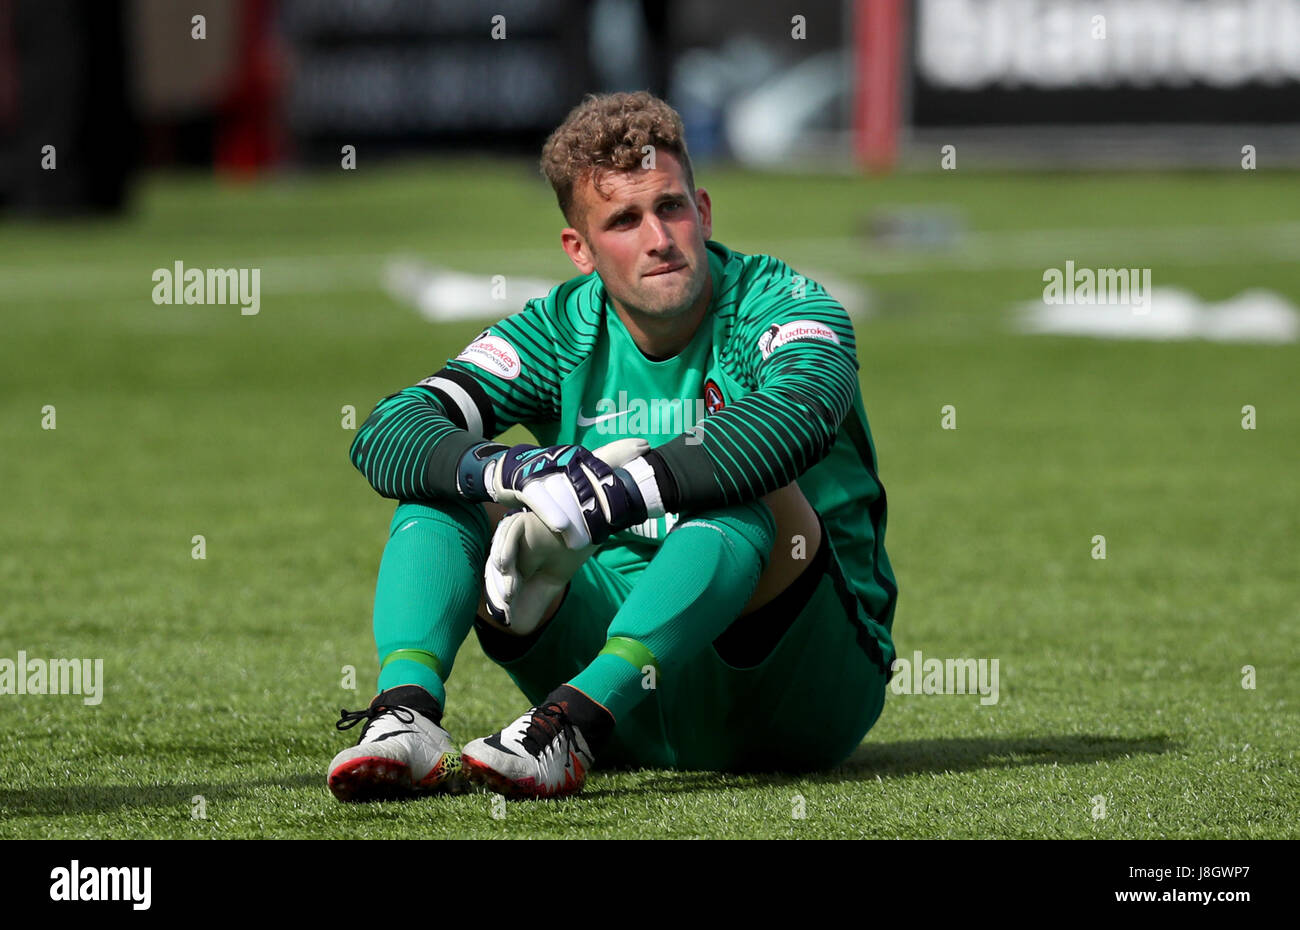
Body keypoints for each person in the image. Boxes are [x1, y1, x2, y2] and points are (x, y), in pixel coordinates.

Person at [328, 91, 897, 801]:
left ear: (705, 211)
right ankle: (405, 717)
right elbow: (390, 430)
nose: (659, 237)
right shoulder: (556, 332)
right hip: (621, 669)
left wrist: (616, 496)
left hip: (797, 687)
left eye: (672, 207)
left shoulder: (781, 305)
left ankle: (571, 723)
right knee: (447, 480)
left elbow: (797, 416)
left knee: (743, 493)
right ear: (581, 250)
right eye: (624, 220)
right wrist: (511, 468)